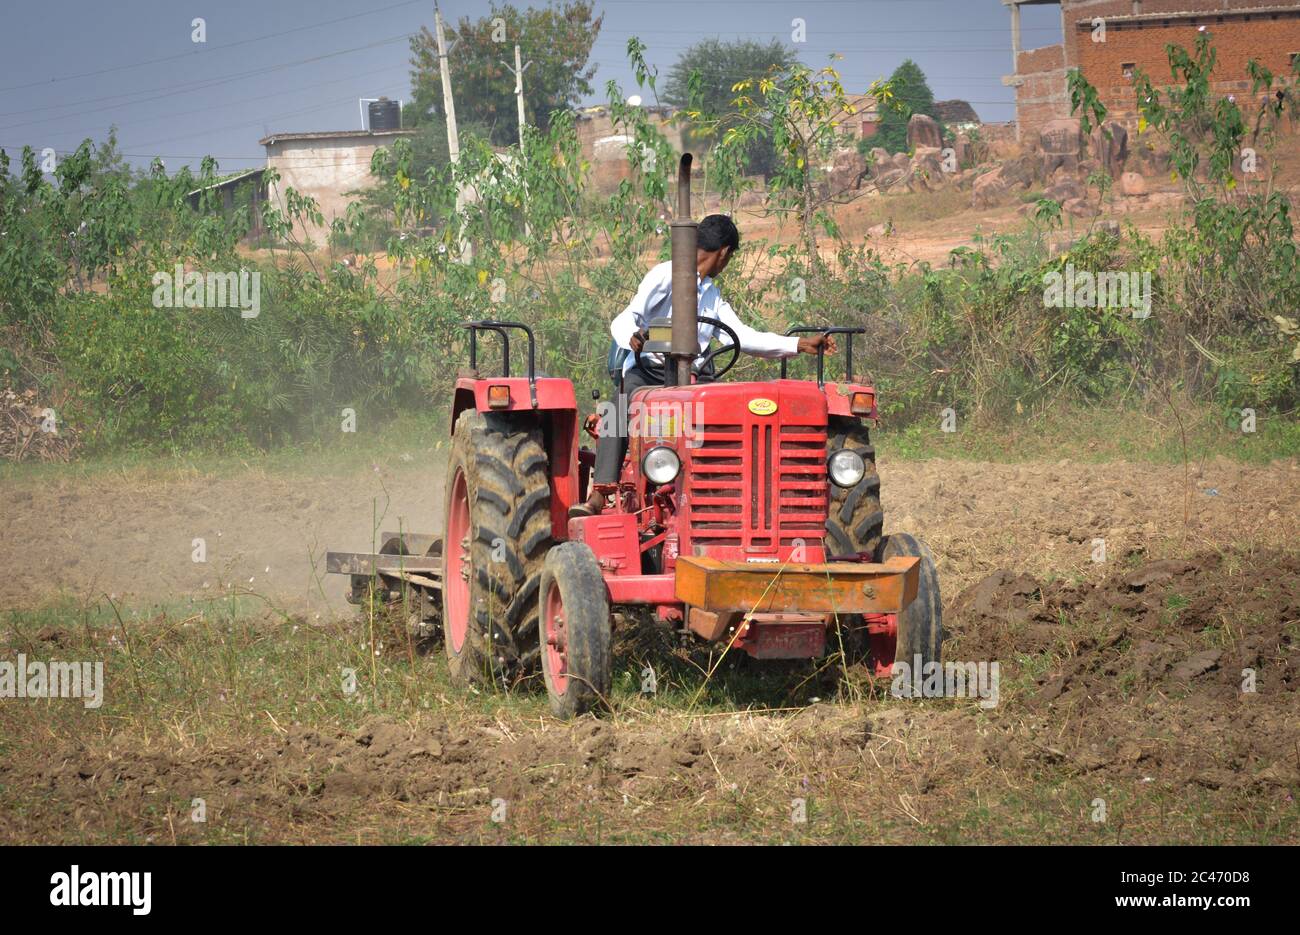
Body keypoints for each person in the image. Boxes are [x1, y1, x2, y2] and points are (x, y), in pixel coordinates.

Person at [571, 214, 835, 518]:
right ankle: (600, 494)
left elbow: (743, 337)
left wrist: (799, 344)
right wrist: (630, 335)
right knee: (616, 407)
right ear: (724, 253)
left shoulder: (712, 295)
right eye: (729, 257)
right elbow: (626, 317)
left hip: (695, 380)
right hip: (650, 374)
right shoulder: (664, 276)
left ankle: (727, 495)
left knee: (729, 413)